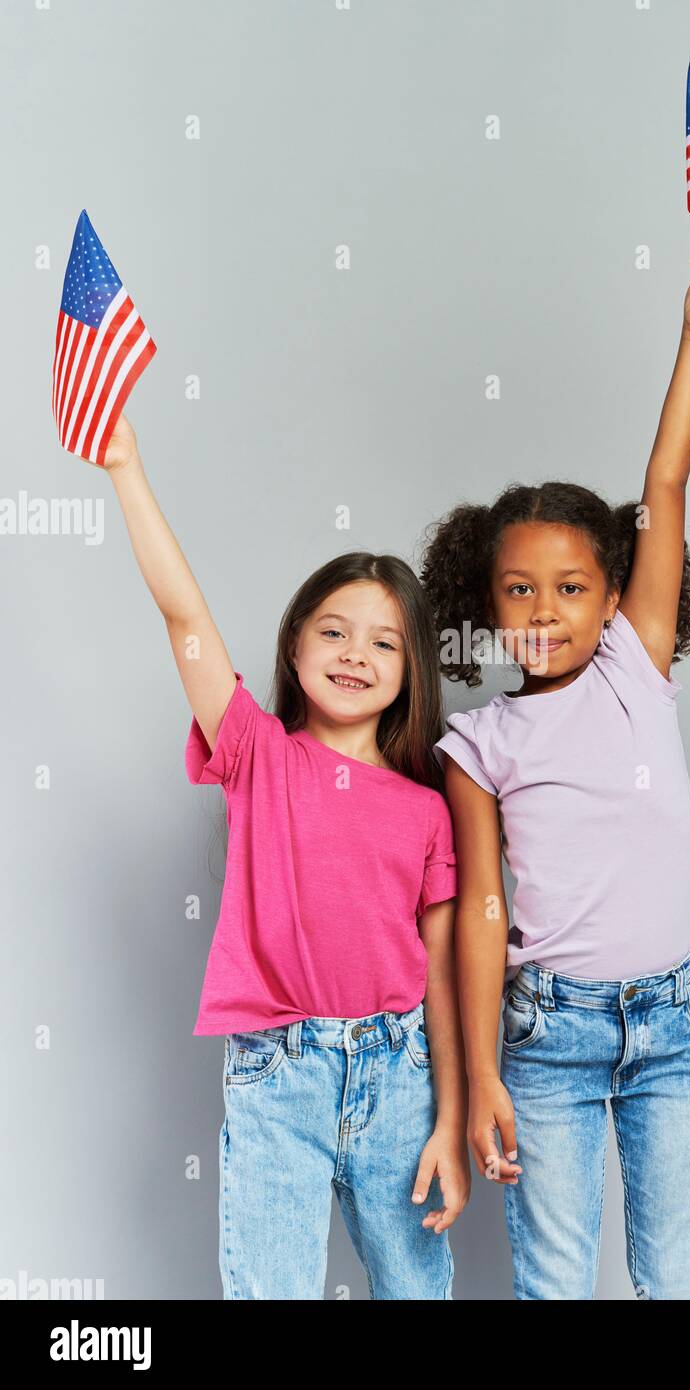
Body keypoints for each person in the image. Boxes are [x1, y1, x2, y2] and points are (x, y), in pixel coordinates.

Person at [92, 414, 470, 1298]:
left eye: (384, 642)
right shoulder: (257, 753)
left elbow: (445, 973)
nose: (354, 655)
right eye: (333, 632)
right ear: (294, 643)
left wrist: (448, 1120)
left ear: (411, 670)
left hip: (401, 1073)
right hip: (280, 1075)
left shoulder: (428, 810)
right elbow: (183, 613)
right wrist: (124, 466)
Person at [421, 238, 690, 1298]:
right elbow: (476, 913)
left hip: (671, 1023)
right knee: (553, 1279)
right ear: (486, 599)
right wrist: (478, 1086)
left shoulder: (634, 669)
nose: (543, 611)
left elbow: (665, 479)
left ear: (613, 599)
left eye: (567, 587)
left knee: (679, 1275)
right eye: (518, 590)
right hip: (546, 1032)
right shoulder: (479, 746)